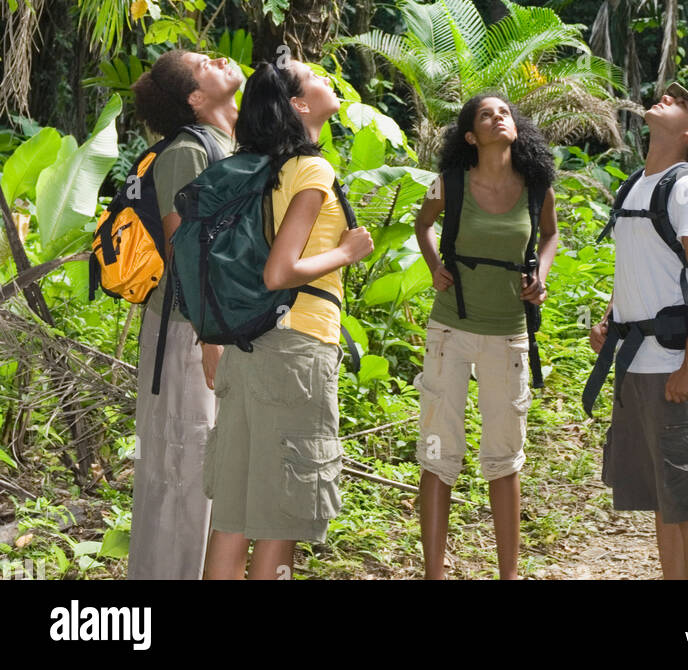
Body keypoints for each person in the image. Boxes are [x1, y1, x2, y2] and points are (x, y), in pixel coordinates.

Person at [201, 59, 373, 581]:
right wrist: (348, 251)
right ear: (299, 105)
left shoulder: (255, 167)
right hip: (296, 349)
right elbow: (281, 270)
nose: (327, 77)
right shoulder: (312, 169)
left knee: (232, 515)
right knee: (281, 516)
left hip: (247, 346)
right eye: (315, 76)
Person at [414, 92, 559, 581]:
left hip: (508, 335)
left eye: (505, 112)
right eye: (486, 114)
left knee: (504, 457)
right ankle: (434, 573)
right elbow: (423, 223)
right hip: (449, 330)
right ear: (470, 136)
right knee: (438, 451)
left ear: (515, 127)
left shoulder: (536, 185)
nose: (500, 117)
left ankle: (509, 576)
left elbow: (550, 235)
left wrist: (541, 272)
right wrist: (435, 267)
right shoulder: (449, 182)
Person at [587, 81, 688, 581]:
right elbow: (640, 268)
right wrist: (610, 320)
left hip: (671, 367)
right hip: (635, 364)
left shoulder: (686, 189)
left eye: (680, 101)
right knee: (665, 507)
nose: (665, 97)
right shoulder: (634, 185)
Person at [127, 49, 241, 581]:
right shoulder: (188, 152)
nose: (220, 56)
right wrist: (210, 337)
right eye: (204, 62)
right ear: (196, 98)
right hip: (187, 332)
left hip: (220, 328)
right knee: (182, 466)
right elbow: (185, 251)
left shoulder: (235, 145)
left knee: (209, 466)